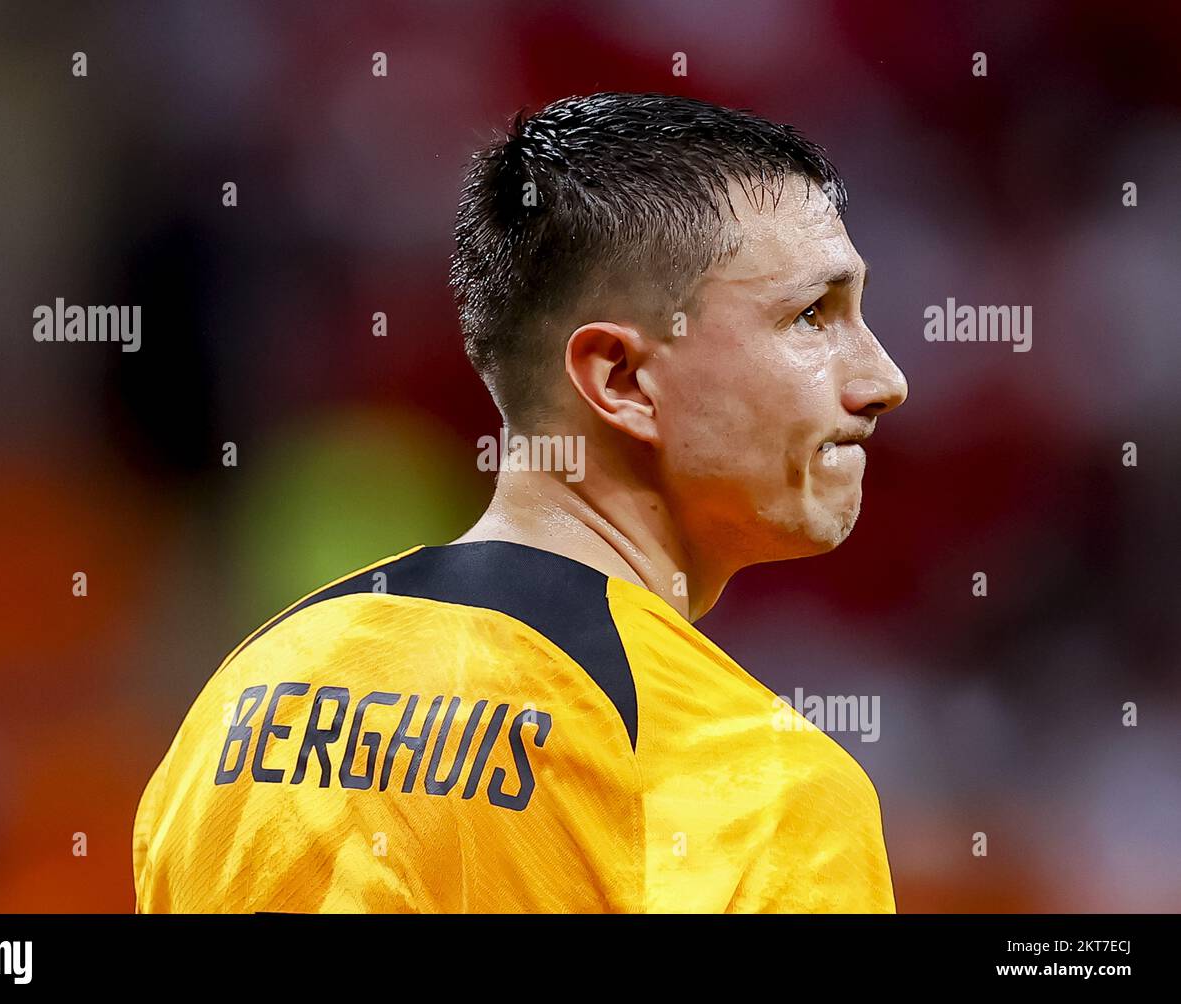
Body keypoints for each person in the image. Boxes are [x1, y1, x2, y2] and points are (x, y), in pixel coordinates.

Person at [134, 91, 908, 913]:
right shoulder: (756, 787)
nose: (884, 381)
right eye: (811, 316)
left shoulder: (239, 704)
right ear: (621, 380)